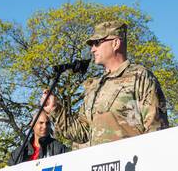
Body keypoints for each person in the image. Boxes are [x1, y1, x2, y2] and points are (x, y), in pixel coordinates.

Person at [41, 20, 169, 149]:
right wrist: (55, 109)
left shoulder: (140, 77)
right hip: (97, 165)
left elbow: (156, 129)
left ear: (115, 43)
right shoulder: (94, 87)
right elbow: (82, 133)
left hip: (131, 163)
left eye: (97, 43)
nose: (92, 49)